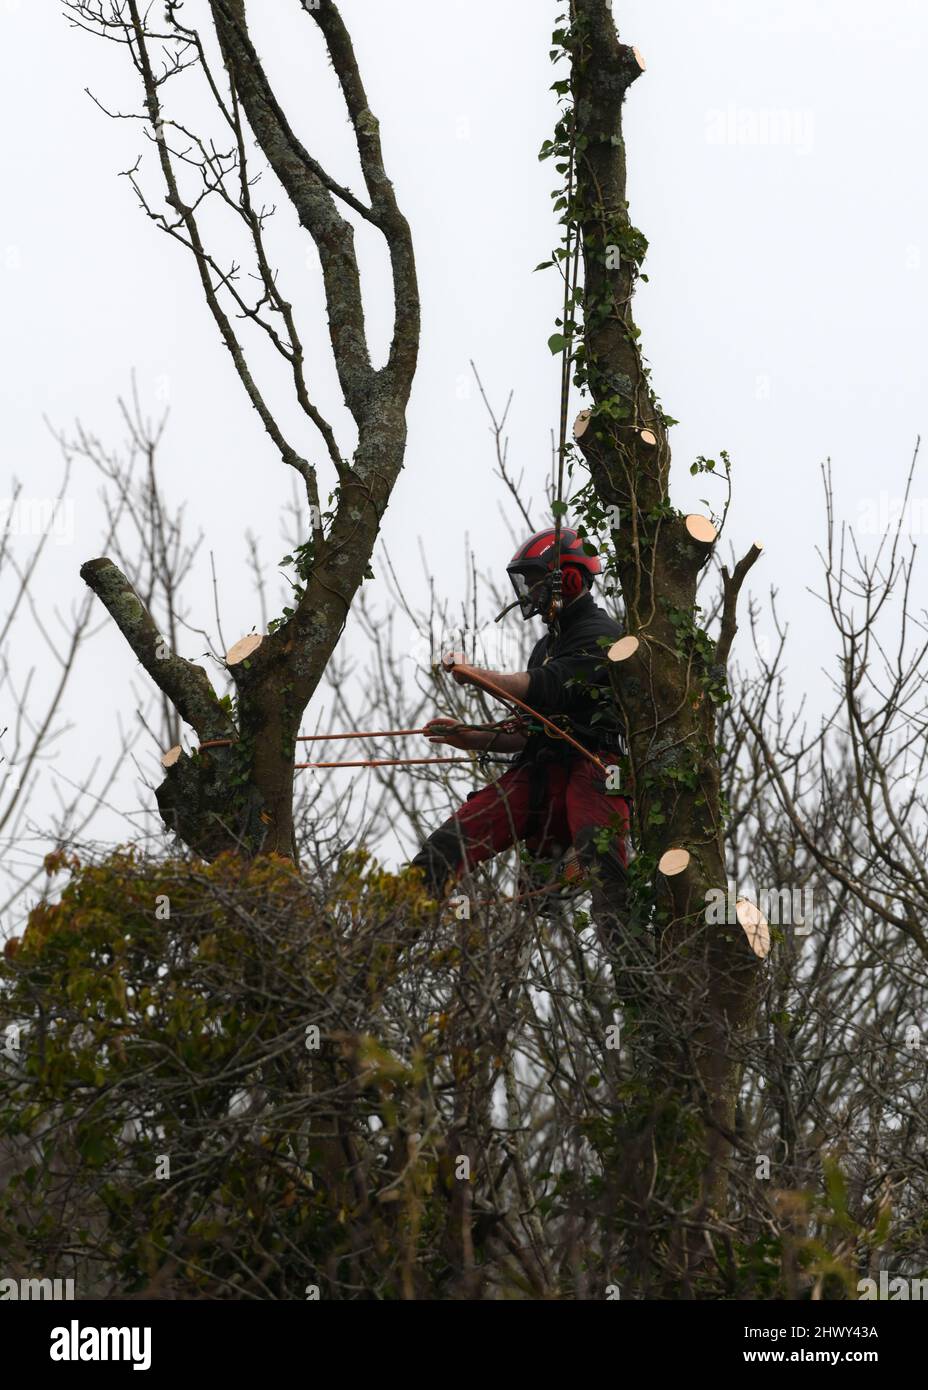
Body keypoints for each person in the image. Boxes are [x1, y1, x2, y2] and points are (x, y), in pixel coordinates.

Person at [408, 527, 632, 931]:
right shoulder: (546, 647)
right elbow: (531, 726)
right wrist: (471, 736)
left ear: (571, 579)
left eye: (536, 583)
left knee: (605, 872)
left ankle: (634, 976)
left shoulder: (602, 635)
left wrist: (477, 675)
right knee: (446, 845)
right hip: (539, 772)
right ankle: (384, 941)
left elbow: (545, 687)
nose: (529, 594)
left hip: (593, 767)